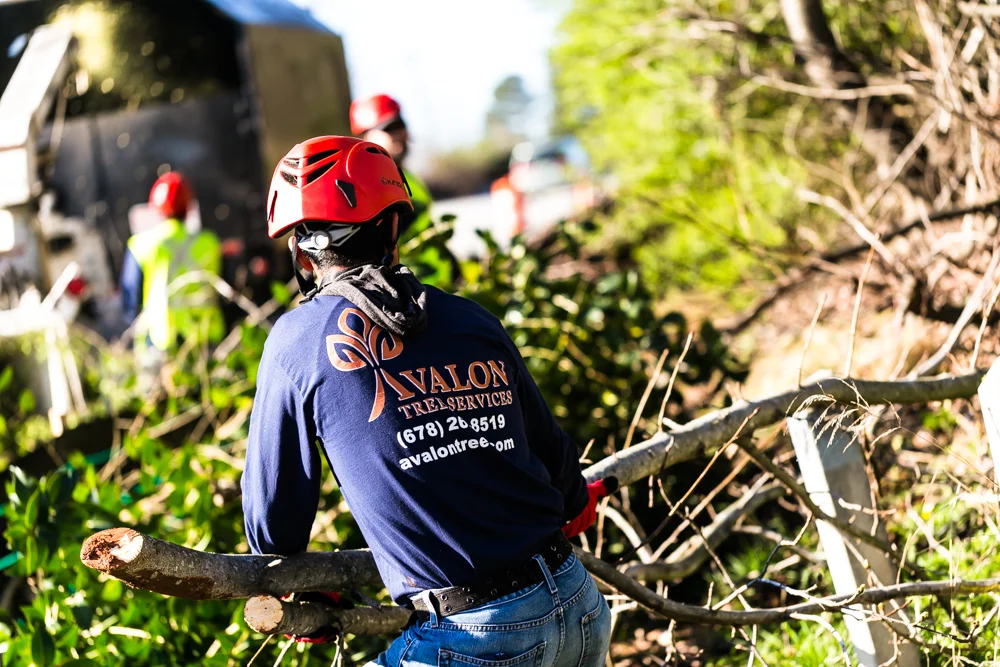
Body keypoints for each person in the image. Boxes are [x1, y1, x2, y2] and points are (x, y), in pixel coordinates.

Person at [241, 135, 614, 666]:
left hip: (470, 636)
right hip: (580, 606)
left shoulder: (295, 342)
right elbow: (558, 464)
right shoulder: (471, 318)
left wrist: (301, 587)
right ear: (394, 225)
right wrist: (577, 501)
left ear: (300, 248)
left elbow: (274, 527)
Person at [120, 172, 224, 368]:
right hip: (206, 337)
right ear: (188, 206)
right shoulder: (209, 242)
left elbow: (130, 301)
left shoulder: (142, 245)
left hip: (162, 341)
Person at [350, 94, 455, 285]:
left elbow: (426, 230)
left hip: (438, 288)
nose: (398, 134)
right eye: (388, 128)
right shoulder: (365, 187)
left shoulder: (410, 179)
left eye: (400, 125)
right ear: (365, 137)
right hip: (407, 295)